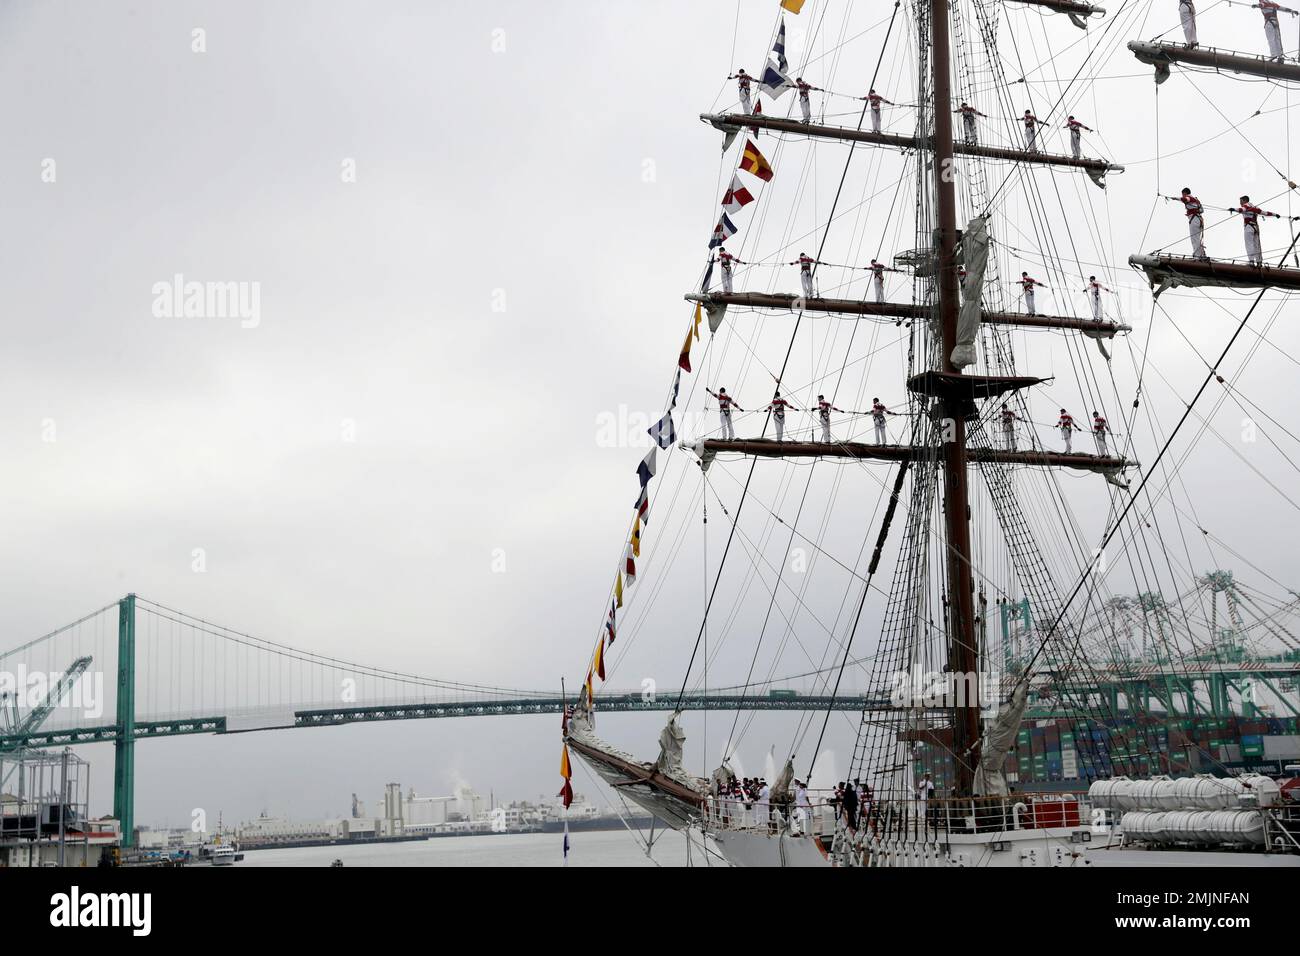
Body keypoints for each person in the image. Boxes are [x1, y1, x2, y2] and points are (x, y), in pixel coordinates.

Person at [1231, 195, 1281, 266]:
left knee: (1249, 244)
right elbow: (1265, 213)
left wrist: (1233, 209)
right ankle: (1259, 262)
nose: (1240, 203)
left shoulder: (1246, 205)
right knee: (1257, 245)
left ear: (1245, 200)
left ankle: (1251, 261)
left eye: (1241, 201)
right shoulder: (1255, 207)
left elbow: (1242, 209)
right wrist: (1275, 214)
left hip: (1248, 227)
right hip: (1256, 228)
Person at [1178, 187, 1209, 259]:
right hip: (1199, 220)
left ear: (1185, 193)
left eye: (1183, 194)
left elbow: (1185, 199)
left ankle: (1198, 256)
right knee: (1197, 238)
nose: (1182, 196)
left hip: (1194, 220)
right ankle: (1201, 254)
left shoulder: (1189, 197)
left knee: (1194, 238)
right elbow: (1202, 210)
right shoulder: (1196, 200)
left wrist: (1174, 198)